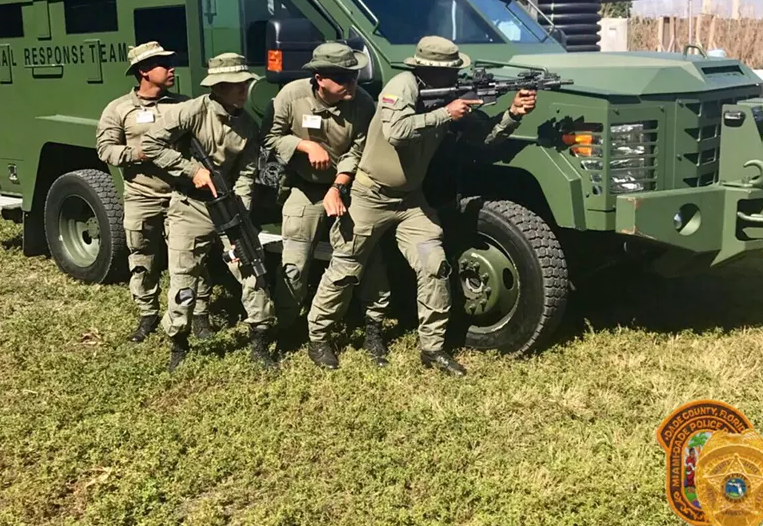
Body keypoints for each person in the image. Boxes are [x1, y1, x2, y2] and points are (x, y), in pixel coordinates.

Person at [307, 35, 537, 376]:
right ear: (431, 71)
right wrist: (446, 113)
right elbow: (397, 131)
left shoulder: (448, 96)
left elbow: (483, 139)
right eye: (450, 73)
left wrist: (513, 114)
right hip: (370, 195)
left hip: (411, 200)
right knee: (345, 269)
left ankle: (432, 347)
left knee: (435, 265)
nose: (455, 78)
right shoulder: (402, 86)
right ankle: (318, 337)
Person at [139, 52, 275, 373]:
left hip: (228, 206)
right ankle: (178, 343)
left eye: (245, 84)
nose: (244, 91)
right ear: (219, 87)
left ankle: (259, 340)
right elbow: (152, 143)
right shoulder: (191, 111)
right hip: (190, 205)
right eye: (237, 86)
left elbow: (246, 171)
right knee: (184, 276)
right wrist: (191, 171)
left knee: (251, 267)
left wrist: (239, 207)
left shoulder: (247, 125)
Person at [262, 42, 390, 365]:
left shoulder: (362, 104)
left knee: (367, 257)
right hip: (304, 189)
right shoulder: (290, 97)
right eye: (343, 78)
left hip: (347, 190)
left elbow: (359, 151)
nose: (352, 84)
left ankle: (372, 327)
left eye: (354, 76)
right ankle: (288, 327)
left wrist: (338, 185)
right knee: (294, 263)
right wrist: (304, 145)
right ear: (320, 79)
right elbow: (269, 138)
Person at [95, 41, 214, 344]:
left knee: (191, 259)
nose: (171, 68)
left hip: (182, 195)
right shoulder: (119, 109)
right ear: (144, 72)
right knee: (143, 257)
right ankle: (148, 314)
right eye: (163, 64)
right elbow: (105, 150)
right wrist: (140, 154)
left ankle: (199, 314)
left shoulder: (183, 104)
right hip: (141, 194)